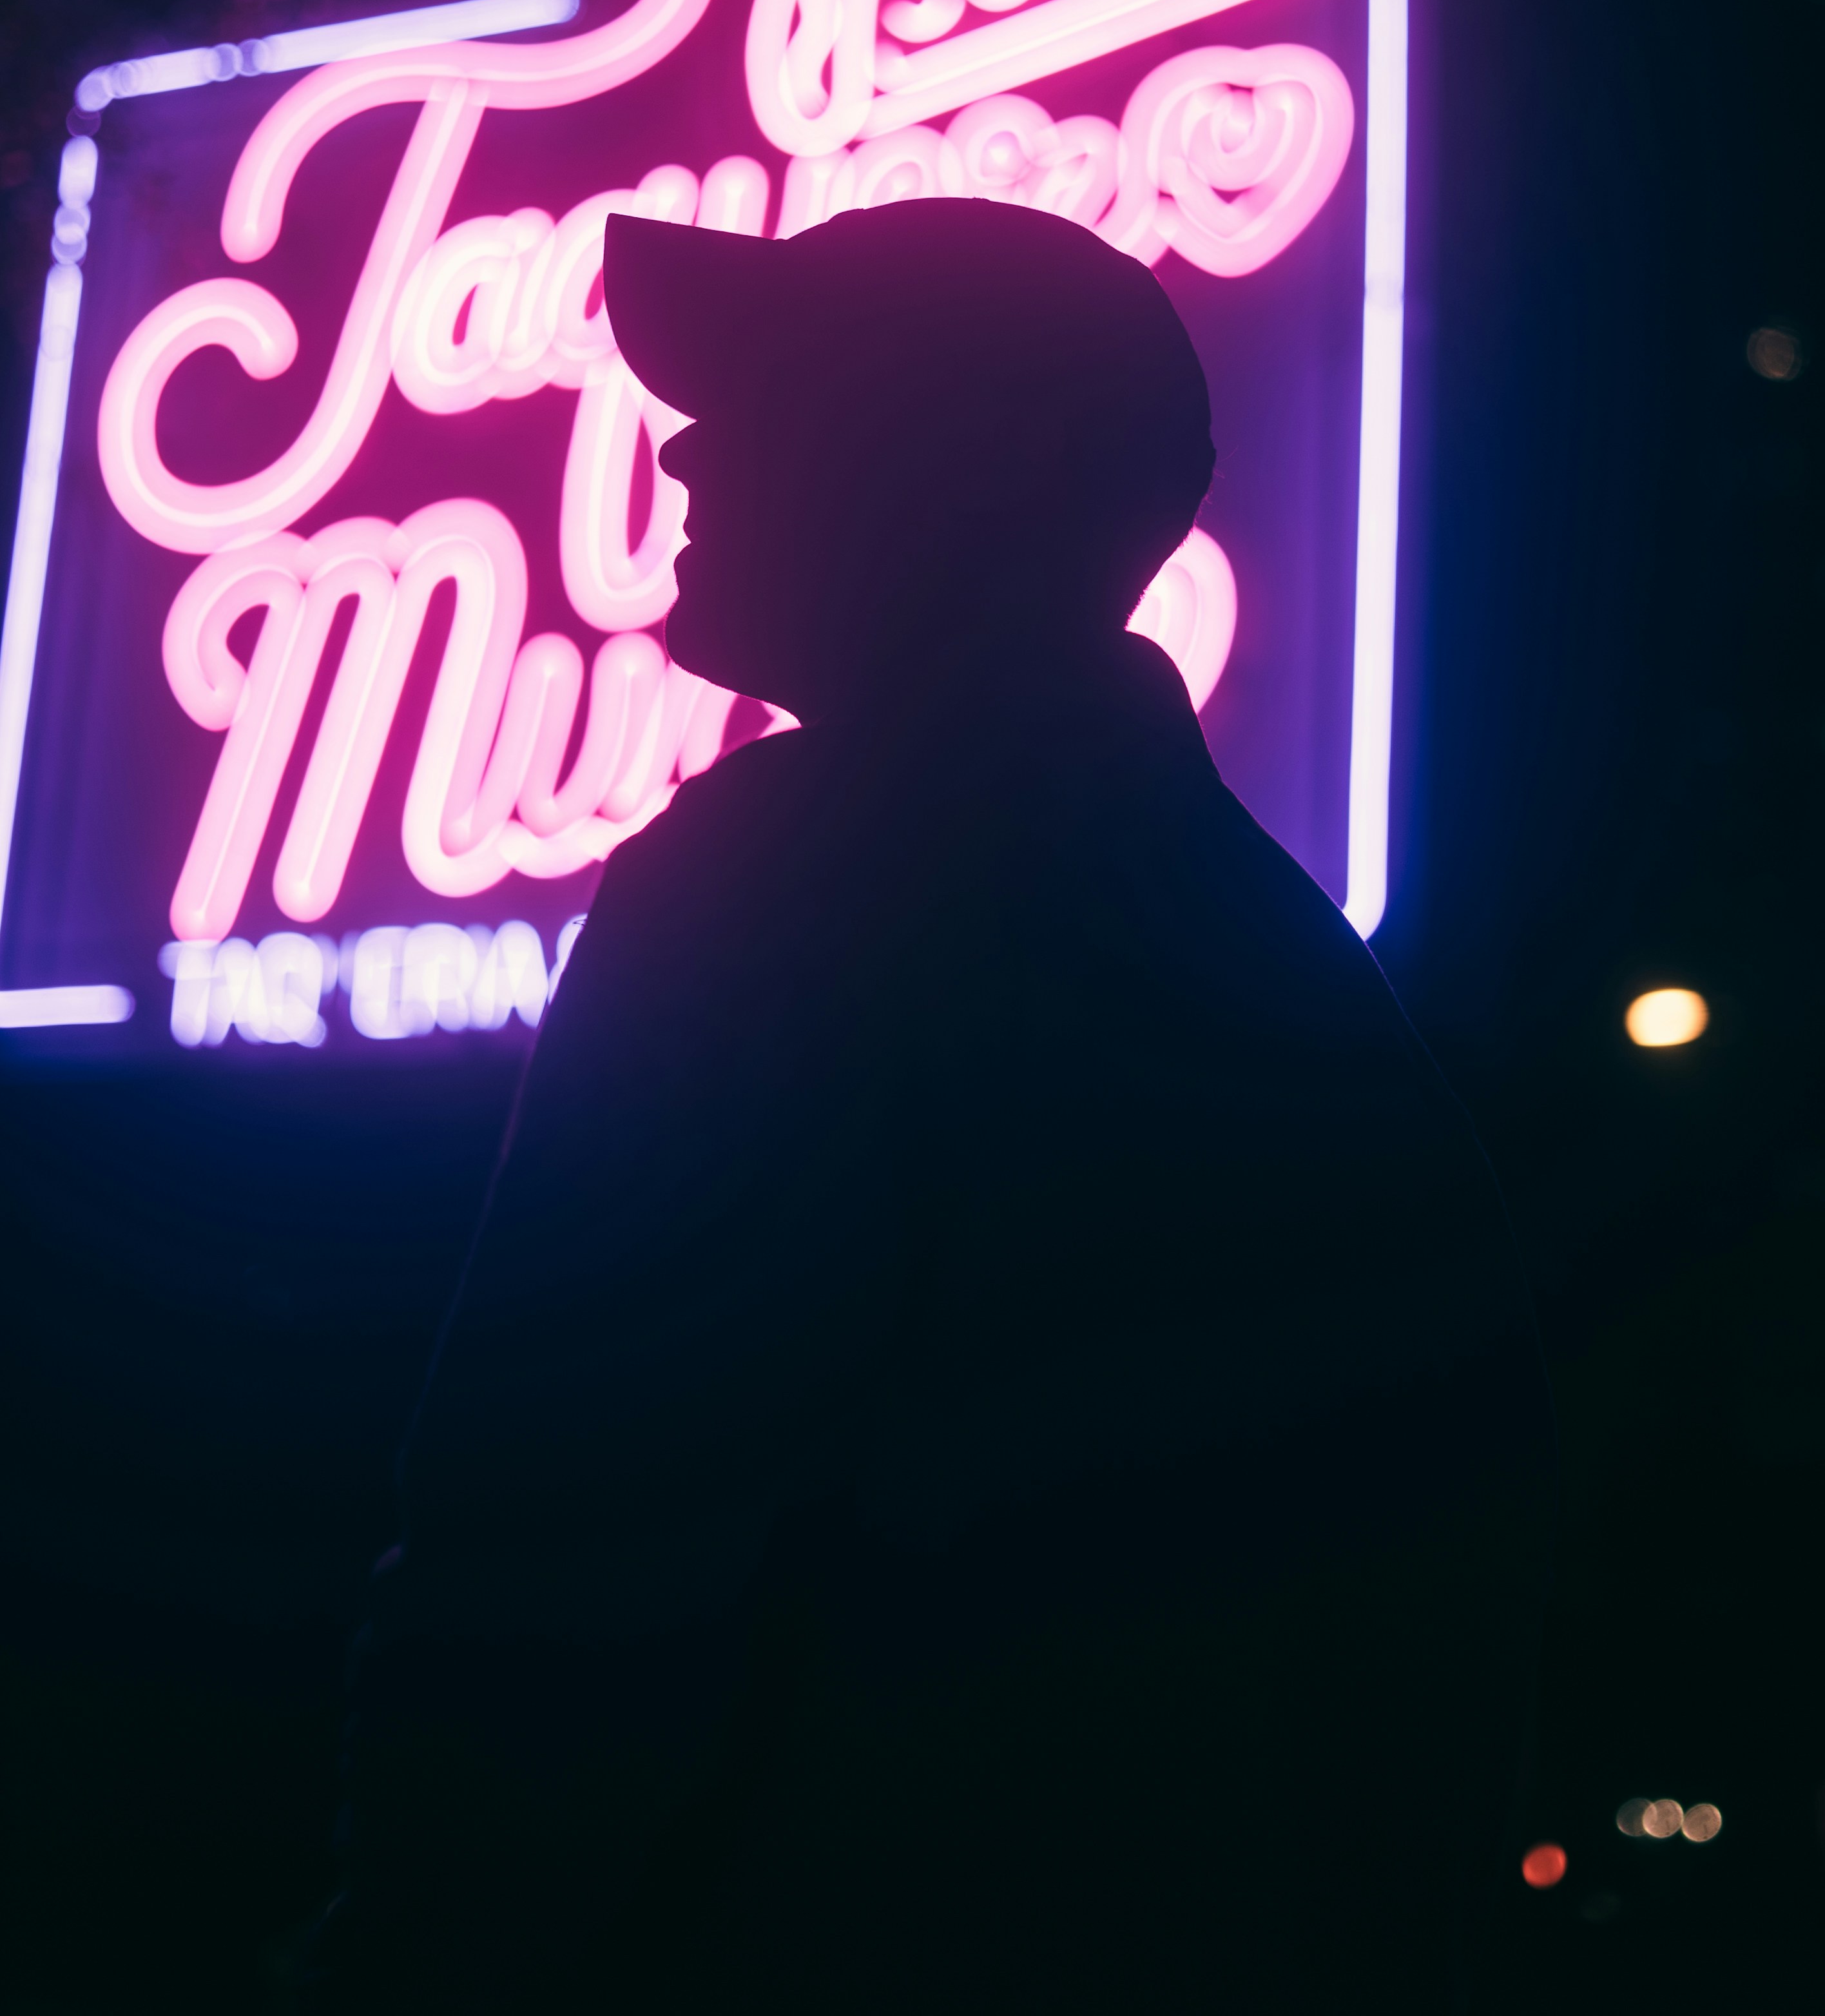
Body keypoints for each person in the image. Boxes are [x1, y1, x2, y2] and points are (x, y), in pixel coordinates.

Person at [312, 197, 1553, 2013]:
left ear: (940, 469)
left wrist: (412, 1948)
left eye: (771, 395)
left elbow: (567, 1544)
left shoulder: (793, 866)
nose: (683, 446)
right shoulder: (1272, 955)